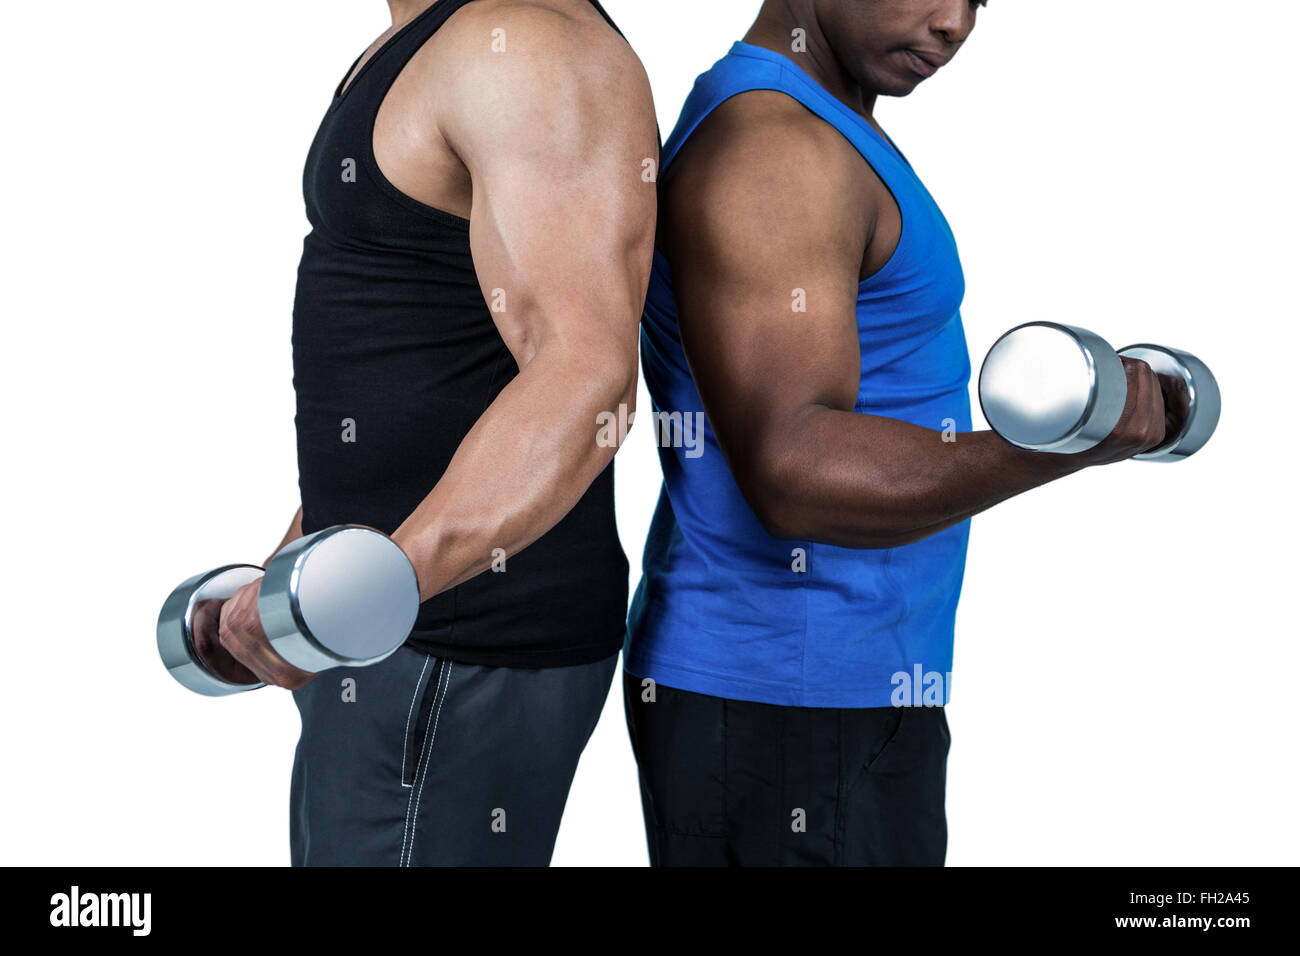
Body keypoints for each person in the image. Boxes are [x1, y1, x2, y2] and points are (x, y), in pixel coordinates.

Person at [623, 0, 1168, 866]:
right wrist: (1066, 441)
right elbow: (794, 471)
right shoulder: (778, 150)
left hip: (828, 692)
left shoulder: (819, 125)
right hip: (791, 703)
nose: (953, 22)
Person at [209, 0, 657, 866]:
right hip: (384, 621)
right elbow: (417, 355)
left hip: (456, 643)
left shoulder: (527, 44)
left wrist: (363, 590)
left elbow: (586, 378)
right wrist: (302, 560)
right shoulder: (430, 36)